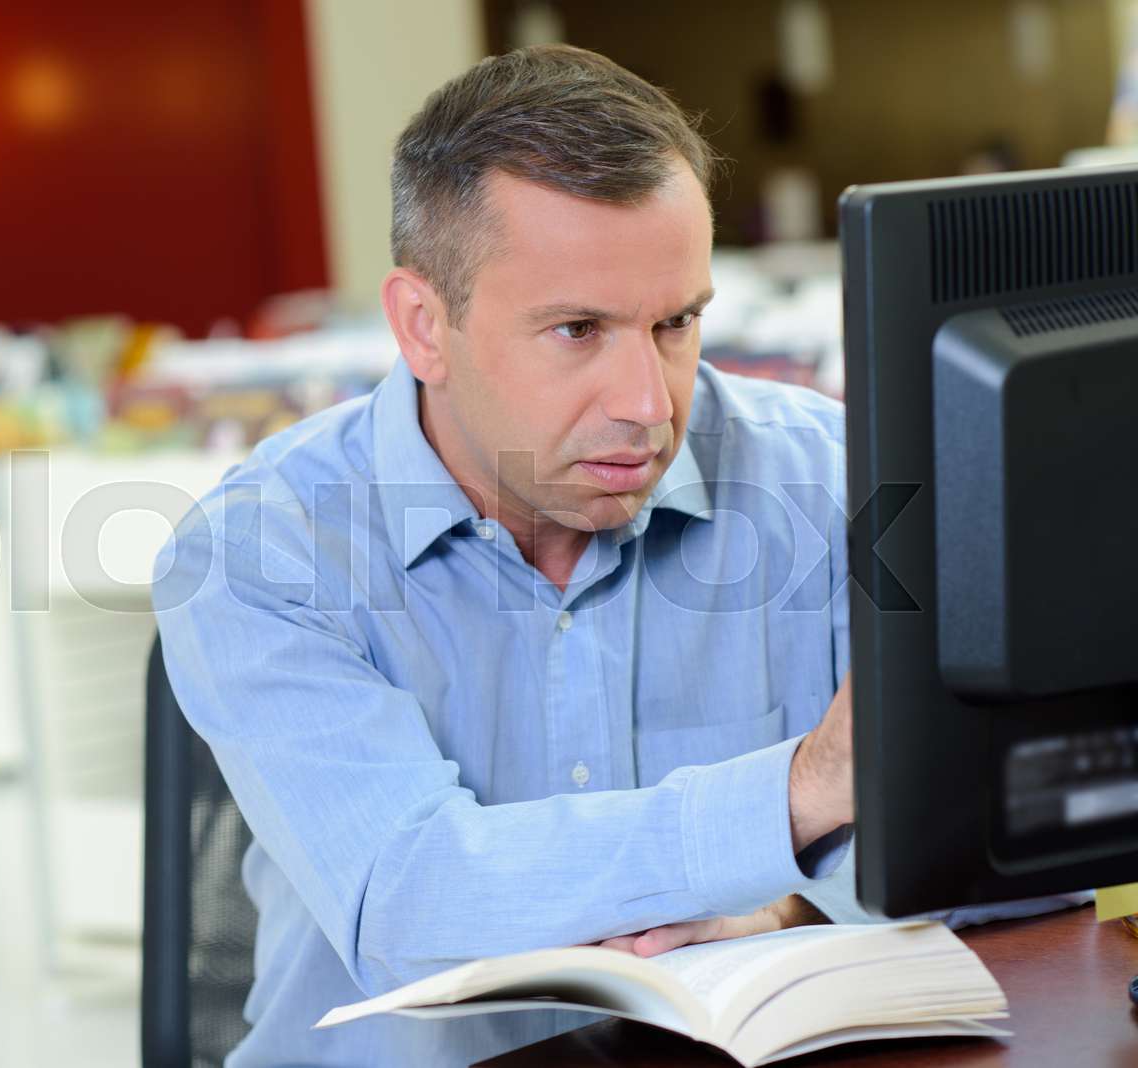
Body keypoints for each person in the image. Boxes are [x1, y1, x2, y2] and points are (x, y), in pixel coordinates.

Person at [153, 45, 1082, 1066]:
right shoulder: (260, 550)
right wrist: (798, 796)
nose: (648, 404)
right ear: (424, 327)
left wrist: (793, 908)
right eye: (576, 330)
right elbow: (409, 897)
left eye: (676, 322)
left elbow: (1031, 850)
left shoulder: (836, 482)